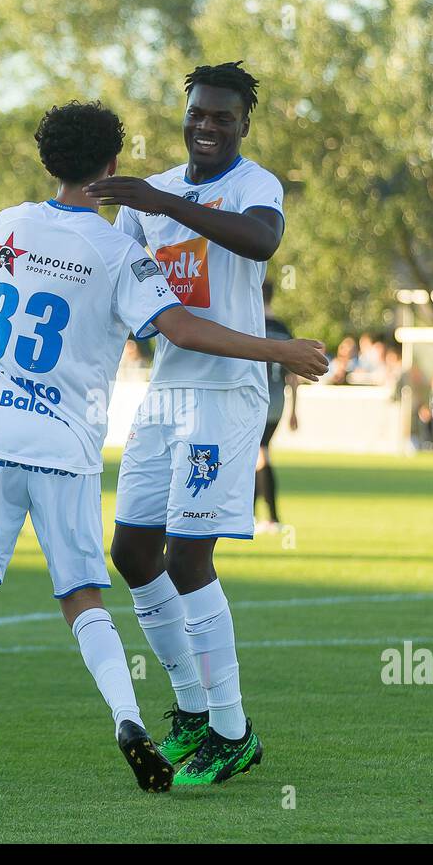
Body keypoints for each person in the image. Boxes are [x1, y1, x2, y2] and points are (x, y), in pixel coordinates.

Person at [0, 100, 326, 792]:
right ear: (114, 165)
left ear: (46, 159)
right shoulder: (120, 249)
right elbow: (175, 329)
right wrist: (279, 349)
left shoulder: (8, 225)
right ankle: (130, 717)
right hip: (64, 444)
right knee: (85, 594)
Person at [84, 61, 287, 785]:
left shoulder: (254, 187)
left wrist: (163, 202)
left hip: (227, 392)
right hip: (167, 390)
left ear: (243, 125)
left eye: (221, 117)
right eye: (197, 112)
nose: (206, 125)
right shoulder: (149, 196)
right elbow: (123, 279)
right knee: (134, 551)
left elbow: (260, 242)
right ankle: (195, 714)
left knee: (187, 559)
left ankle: (233, 732)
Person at [254, 280, 299, 533]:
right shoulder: (283, 329)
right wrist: (294, 411)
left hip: (256, 401)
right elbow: (292, 376)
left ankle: (271, 518)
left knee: (259, 454)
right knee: (258, 454)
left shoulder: (253, 326)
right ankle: (253, 516)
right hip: (278, 403)